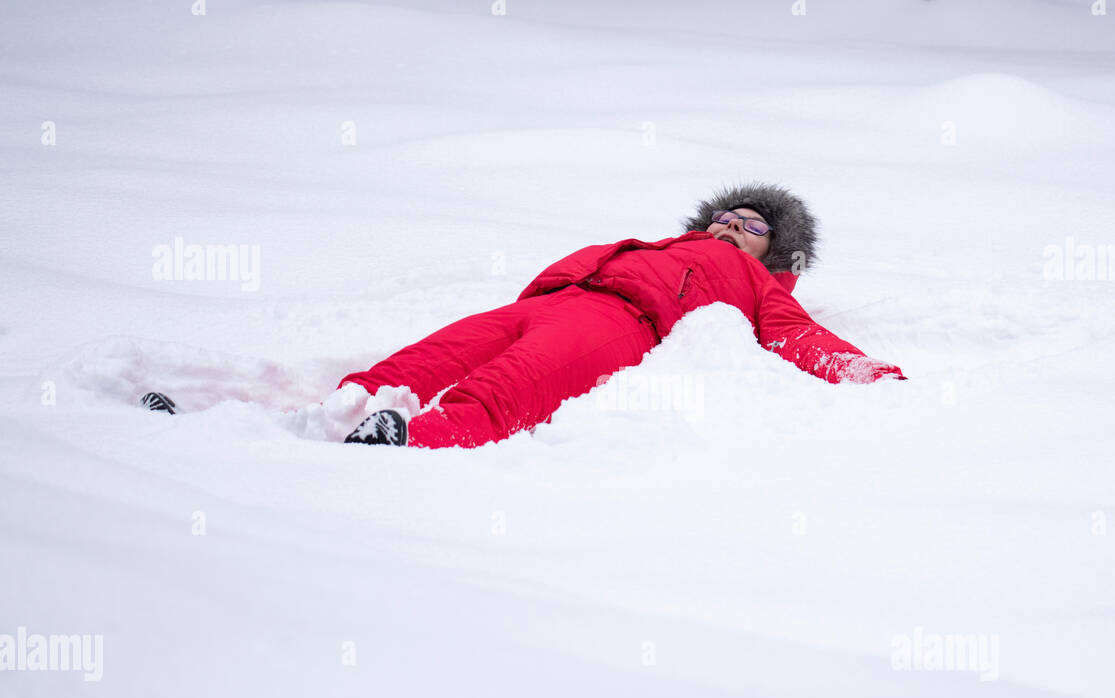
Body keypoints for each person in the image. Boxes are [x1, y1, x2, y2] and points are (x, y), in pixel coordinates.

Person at [142, 182, 906, 447]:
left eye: (754, 223)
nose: (734, 224)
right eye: (728, 213)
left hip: (614, 327)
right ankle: (275, 420)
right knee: (403, 370)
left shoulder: (754, 281)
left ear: (777, 255)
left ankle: (413, 441)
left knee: (504, 392)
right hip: (546, 307)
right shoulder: (656, 241)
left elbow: (800, 337)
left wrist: (874, 375)